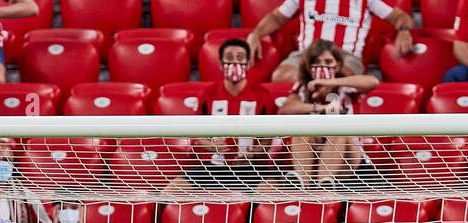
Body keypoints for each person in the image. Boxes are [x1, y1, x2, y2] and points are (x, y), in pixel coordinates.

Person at [163, 39, 278, 195]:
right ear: (220, 63)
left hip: (251, 168)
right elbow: (197, 133)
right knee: (169, 192)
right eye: (229, 58)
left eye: (240, 58)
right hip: (214, 167)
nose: (235, 62)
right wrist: (211, 145)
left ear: (249, 63)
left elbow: (269, 138)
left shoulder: (263, 95)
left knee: (272, 194)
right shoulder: (208, 93)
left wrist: (255, 151)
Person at [279, 40, 378, 189]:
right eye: (317, 62)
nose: (323, 66)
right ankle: (301, 185)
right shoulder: (302, 87)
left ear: (337, 65)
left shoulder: (347, 86)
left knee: (338, 130)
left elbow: (372, 82)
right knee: (301, 130)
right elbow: (285, 109)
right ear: (309, 66)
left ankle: (324, 186)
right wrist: (320, 107)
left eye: (328, 61)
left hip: (349, 162)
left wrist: (330, 82)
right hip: (315, 160)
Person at [247, 0, 413, 84]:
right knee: (280, 76)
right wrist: (256, 34)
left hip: (346, 57)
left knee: (342, 77)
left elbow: (398, 16)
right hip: (307, 54)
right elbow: (277, 17)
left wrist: (404, 30)